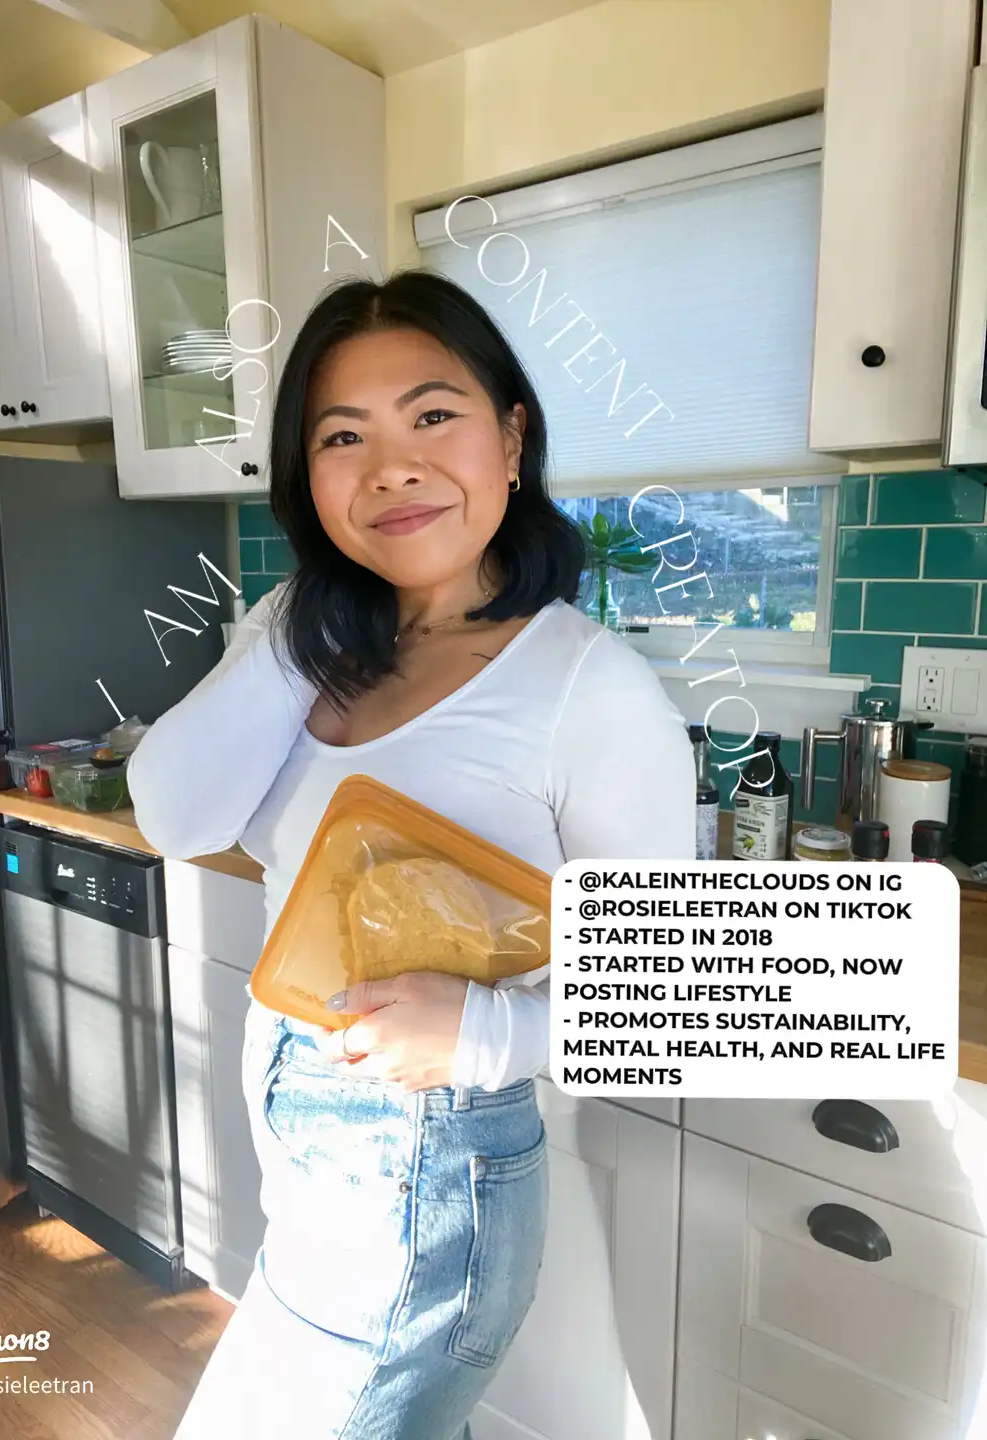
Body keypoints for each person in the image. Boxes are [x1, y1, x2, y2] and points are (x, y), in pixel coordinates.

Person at [128, 270, 694, 1440]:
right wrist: (311, 612)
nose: (392, 465)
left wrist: (481, 1029)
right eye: (344, 437)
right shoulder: (300, 639)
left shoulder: (588, 688)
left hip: (427, 1203)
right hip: (312, 1189)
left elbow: (671, 1007)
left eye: (433, 415)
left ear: (512, 437)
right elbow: (175, 817)